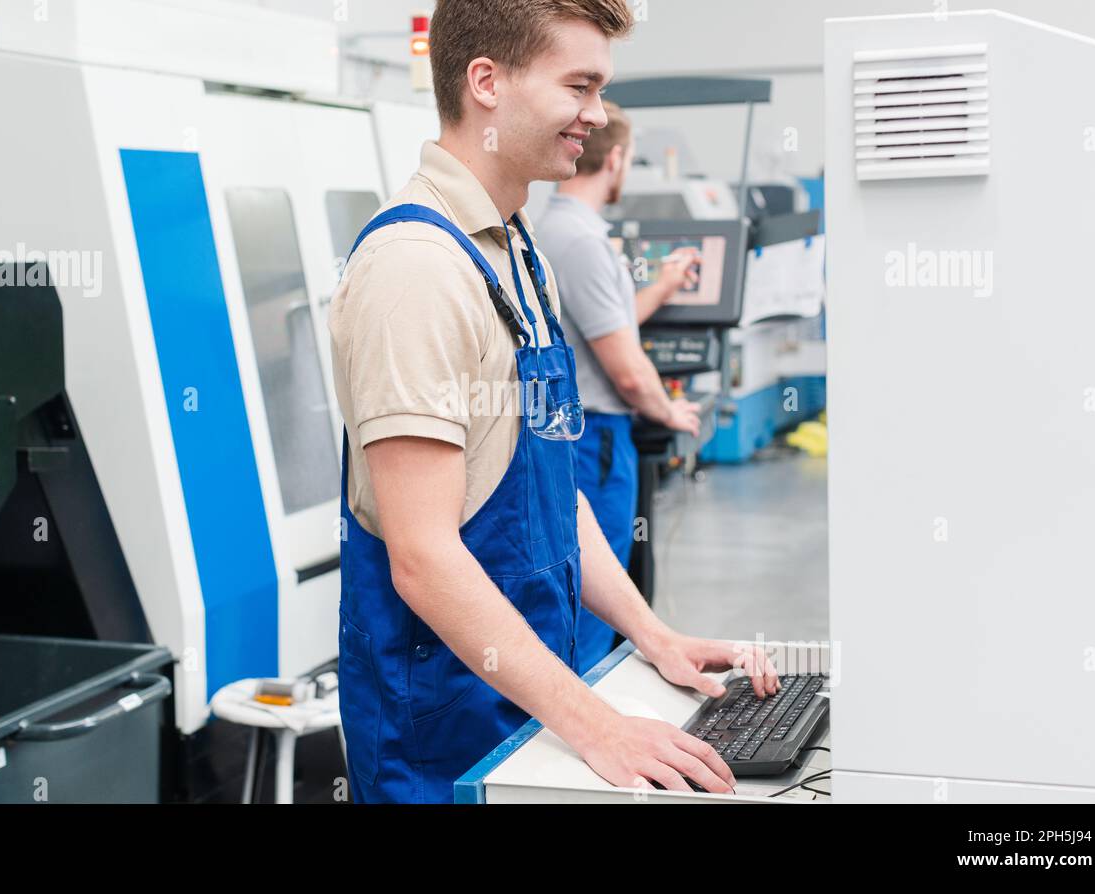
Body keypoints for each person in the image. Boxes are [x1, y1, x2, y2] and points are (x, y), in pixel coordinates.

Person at [329, 0, 777, 804]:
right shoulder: (416, 268)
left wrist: (652, 634)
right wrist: (596, 723)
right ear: (487, 82)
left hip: (528, 714)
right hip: (444, 742)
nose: (596, 116)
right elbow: (424, 558)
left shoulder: (516, 252)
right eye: (579, 86)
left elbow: (549, 488)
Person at [535, 100, 703, 672]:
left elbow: (605, 322)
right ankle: (587, 721)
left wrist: (660, 287)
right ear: (619, 159)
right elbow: (628, 371)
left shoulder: (554, 229)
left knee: (579, 583)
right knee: (596, 597)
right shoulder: (582, 241)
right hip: (597, 441)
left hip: (572, 432)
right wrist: (671, 411)